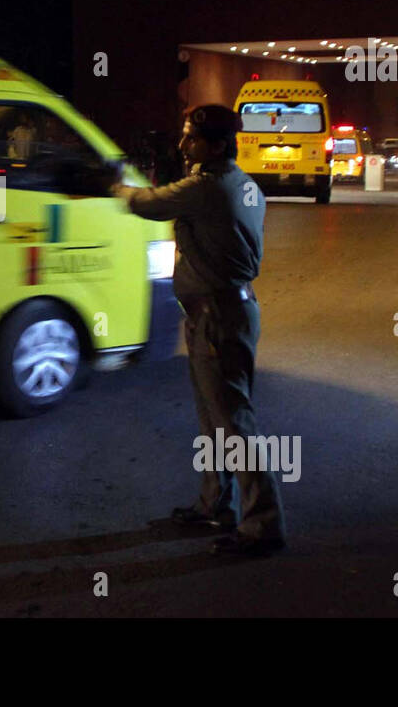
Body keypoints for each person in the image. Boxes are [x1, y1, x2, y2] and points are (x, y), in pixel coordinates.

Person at [111, 104, 286, 556]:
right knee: (215, 421)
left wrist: (111, 184)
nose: (184, 145)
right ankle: (215, 505)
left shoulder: (207, 188)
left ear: (217, 145)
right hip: (225, 311)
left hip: (218, 317)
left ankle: (262, 526)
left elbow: (147, 203)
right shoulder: (242, 183)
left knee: (233, 423)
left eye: (191, 138)